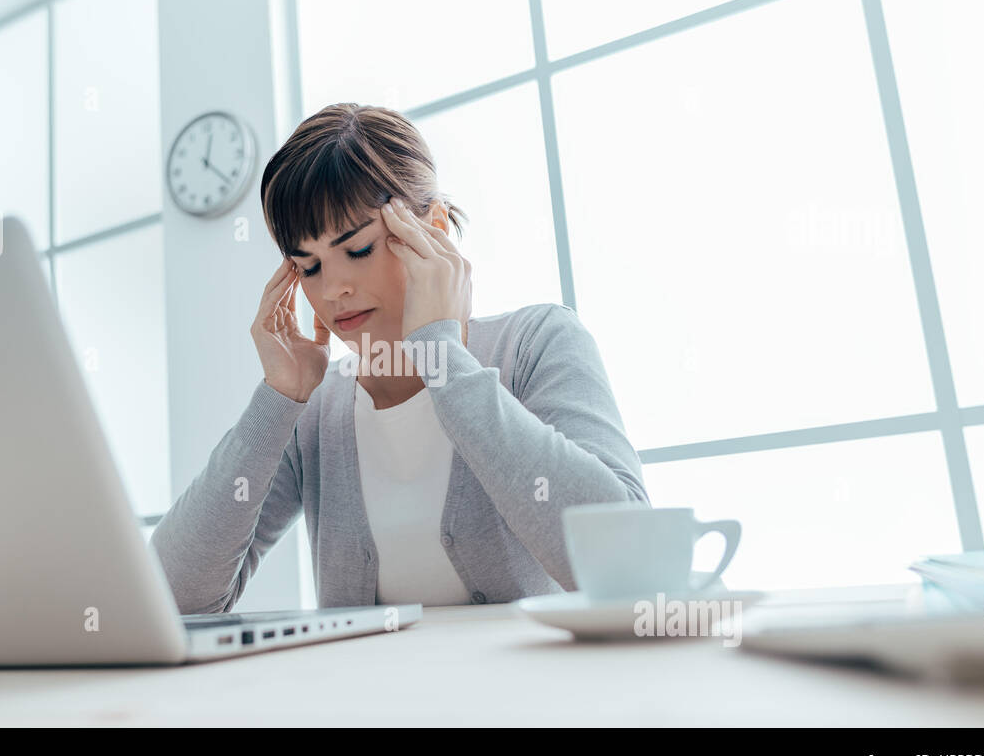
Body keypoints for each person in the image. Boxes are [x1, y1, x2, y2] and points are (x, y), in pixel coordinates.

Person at [152, 103, 648, 613]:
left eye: (359, 250)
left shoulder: (538, 342)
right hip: (364, 696)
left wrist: (442, 360)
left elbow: (628, 562)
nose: (334, 289)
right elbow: (173, 597)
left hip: (535, 694)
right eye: (309, 266)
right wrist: (277, 398)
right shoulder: (316, 415)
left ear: (431, 229)